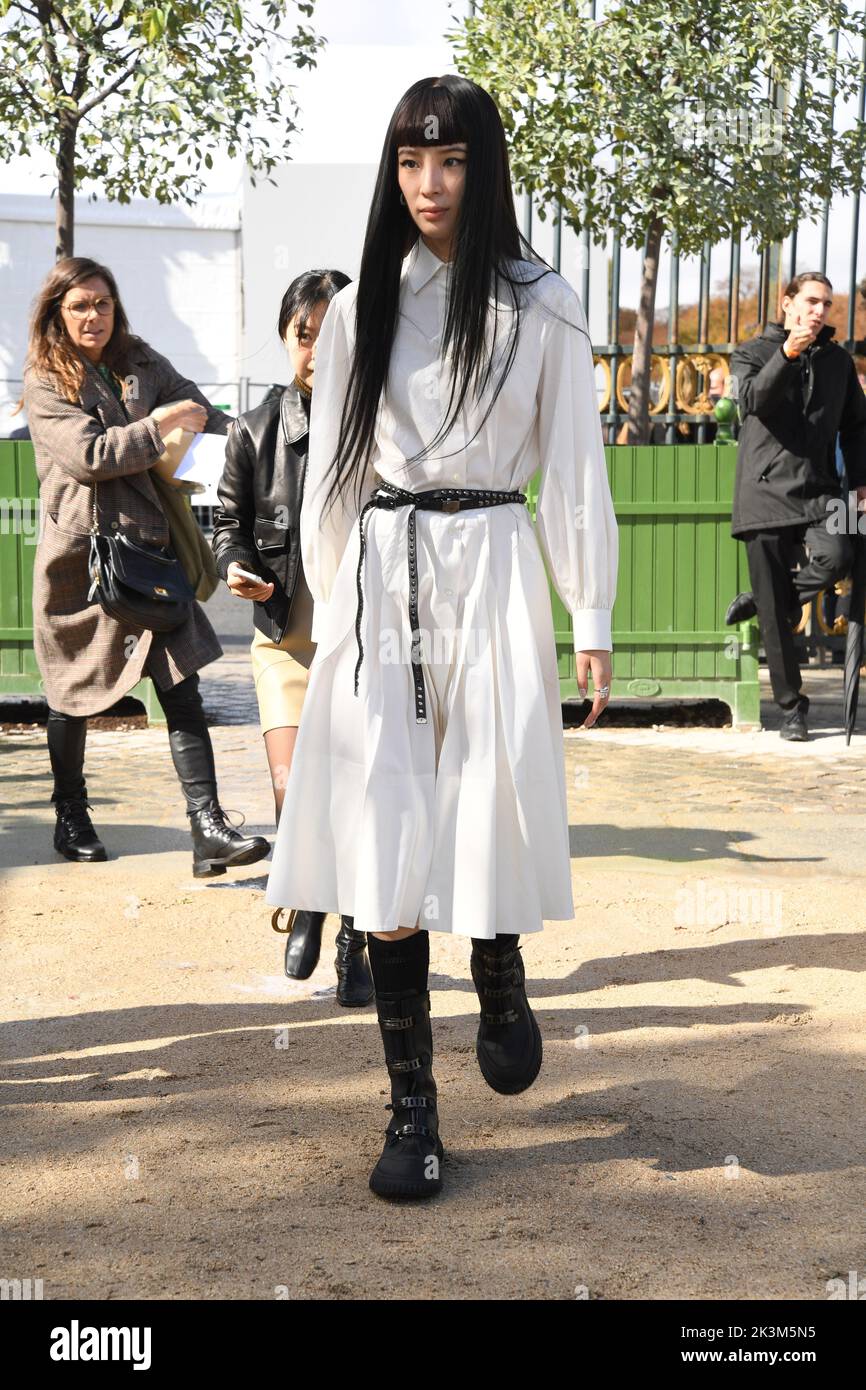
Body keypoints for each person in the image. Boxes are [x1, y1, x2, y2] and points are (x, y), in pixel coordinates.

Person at [264, 75, 618, 1200]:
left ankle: (500, 959)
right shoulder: (365, 302)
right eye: (411, 161)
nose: (428, 183)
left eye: (451, 160)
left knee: (491, 787)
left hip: (496, 564)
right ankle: (411, 1109)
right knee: (387, 823)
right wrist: (328, 614)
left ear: (483, 166)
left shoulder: (540, 302)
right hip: (384, 576)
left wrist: (592, 611)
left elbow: (572, 464)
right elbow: (332, 469)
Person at [20, 257, 270, 875]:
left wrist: (261, 439)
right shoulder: (44, 379)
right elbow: (87, 456)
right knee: (69, 694)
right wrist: (158, 429)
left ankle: (208, 828)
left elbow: (203, 411)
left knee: (181, 685)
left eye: (102, 303)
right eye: (78, 305)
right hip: (81, 562)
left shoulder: (140, 359)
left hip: (151, 554)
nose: (92, 316)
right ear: (57, 312)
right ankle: (71, 814)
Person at [212, 270, 373, 1006]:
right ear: (285, 339)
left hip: (367, 642)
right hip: (285, 644)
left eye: (329, 333)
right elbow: (226, 524)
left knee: (365, 797)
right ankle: (308, 900)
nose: (314, 349)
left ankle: (353, 936)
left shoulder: (382, 421)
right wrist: (237, 566)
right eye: (302, 334)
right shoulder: (253, 429)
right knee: (293, 791)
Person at [725, 272, 866, 740]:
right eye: (810, 301)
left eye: (826, 304)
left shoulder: (839, 363)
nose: (819, 311)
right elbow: (751, 401)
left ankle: (768, 601)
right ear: (787, 304)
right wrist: (787, 354)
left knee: (839, 555)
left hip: (819, 490)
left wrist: (862, 482)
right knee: (776, 609)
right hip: (762, 491)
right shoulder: (751, 352)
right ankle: (791, 709)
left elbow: (857, 426)